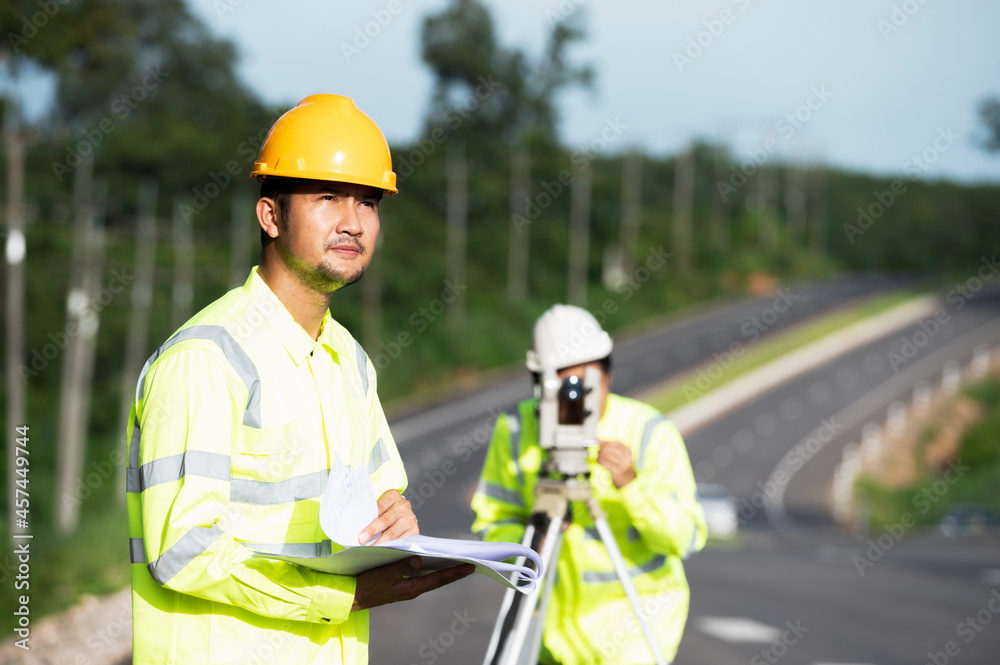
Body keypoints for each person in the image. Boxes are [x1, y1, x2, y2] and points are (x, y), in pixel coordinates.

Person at [126, 94, 473, 665]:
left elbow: (384, 494)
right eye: (328, 197)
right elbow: (184, 551)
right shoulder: (208, 358)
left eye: (368, 201)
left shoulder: (349, 360)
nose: (353, 223)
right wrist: (342, 595)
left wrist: (394, 518)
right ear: (270, 215)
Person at [471, 304, 707, 664]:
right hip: (549, 631)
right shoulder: (516, 429)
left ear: (606, 374)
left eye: (583, 383)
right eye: (561, 384)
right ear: (538, 383)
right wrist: (531, 539)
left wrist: (630, 487)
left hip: (636, 634)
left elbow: (684, 538)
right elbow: (492, 523)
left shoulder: (648, 431)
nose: (573, 398)